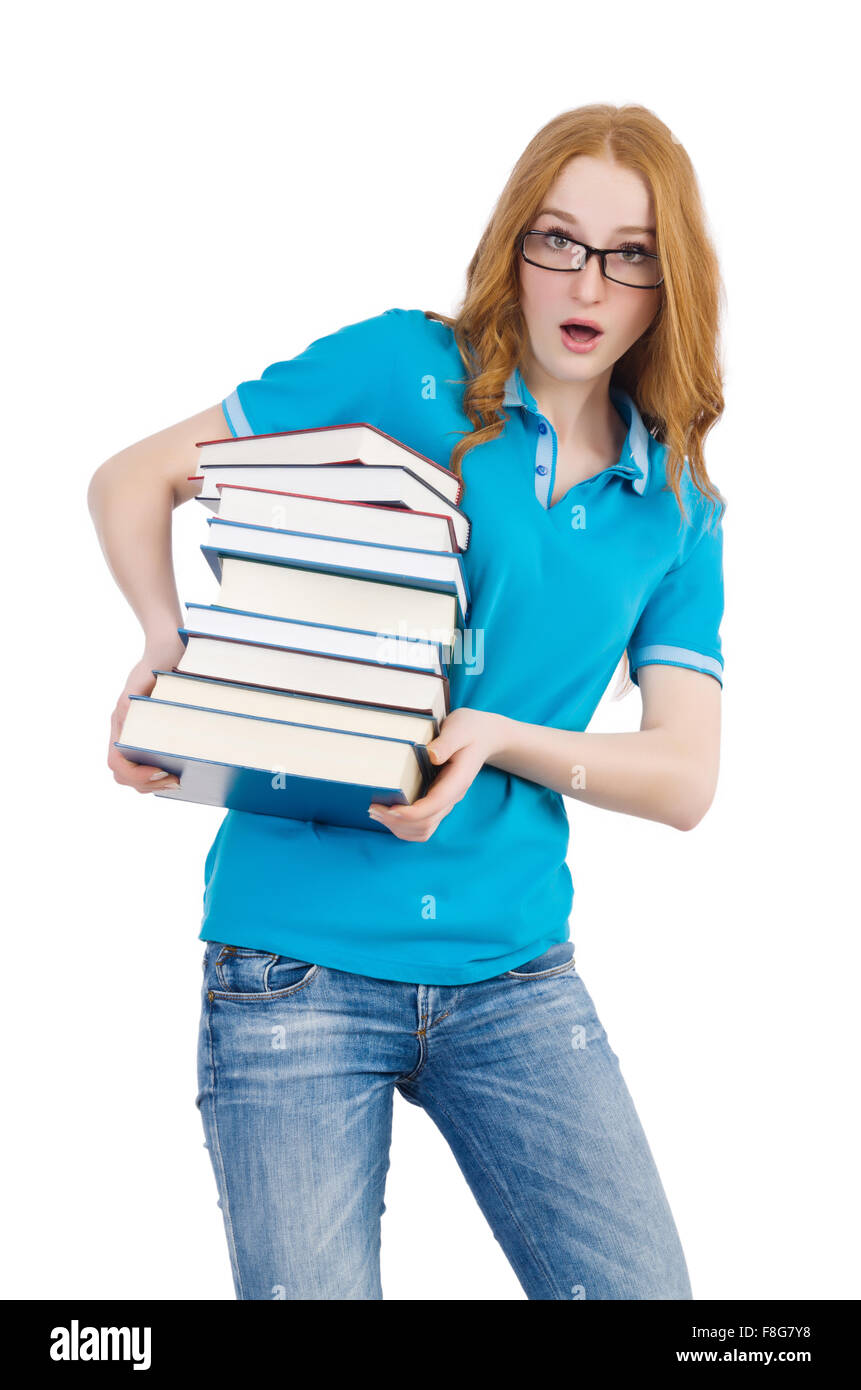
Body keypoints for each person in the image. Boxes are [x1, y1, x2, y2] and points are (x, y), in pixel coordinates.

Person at [88, 102, 726, 1300]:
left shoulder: (676, 502)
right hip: (294, 961)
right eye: (558, 240)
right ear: (513, 248)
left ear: (667, 281)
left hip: (515, 970)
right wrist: (168, 651)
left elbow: (685, 776)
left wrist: (501, 739)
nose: (588, 280)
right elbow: (135, 478)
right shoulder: (407, 368)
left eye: (631, 253)